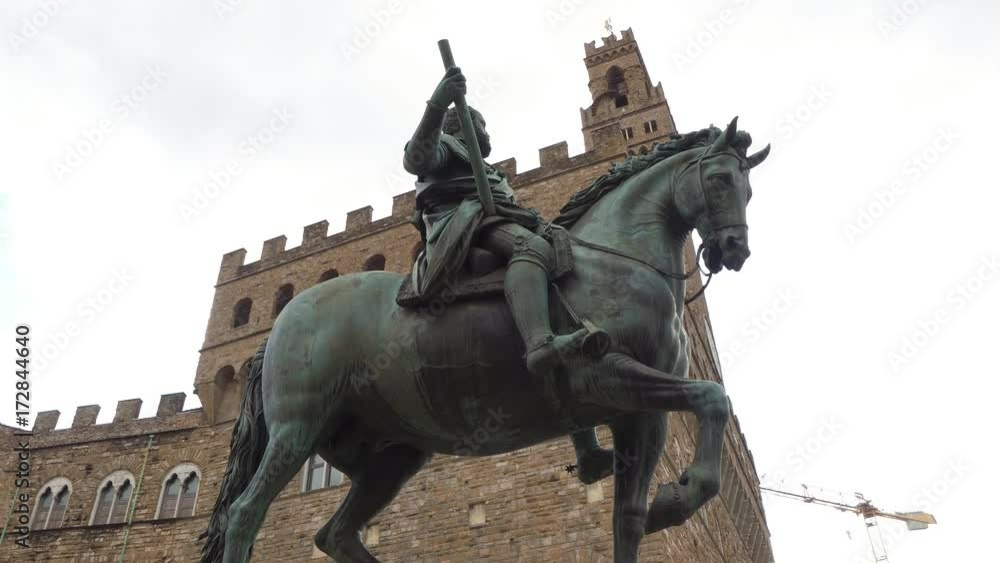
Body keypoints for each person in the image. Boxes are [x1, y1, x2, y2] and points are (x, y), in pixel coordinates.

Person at [403, 67, 591, 376]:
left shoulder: (490, 170)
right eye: (482, 124)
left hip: (489, 222)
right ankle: (539, 345)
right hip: (463, 223)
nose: (487, 131)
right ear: (465, 124)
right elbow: (416, 160)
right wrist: (437, 104)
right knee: (529, 247)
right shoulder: (448, 145)